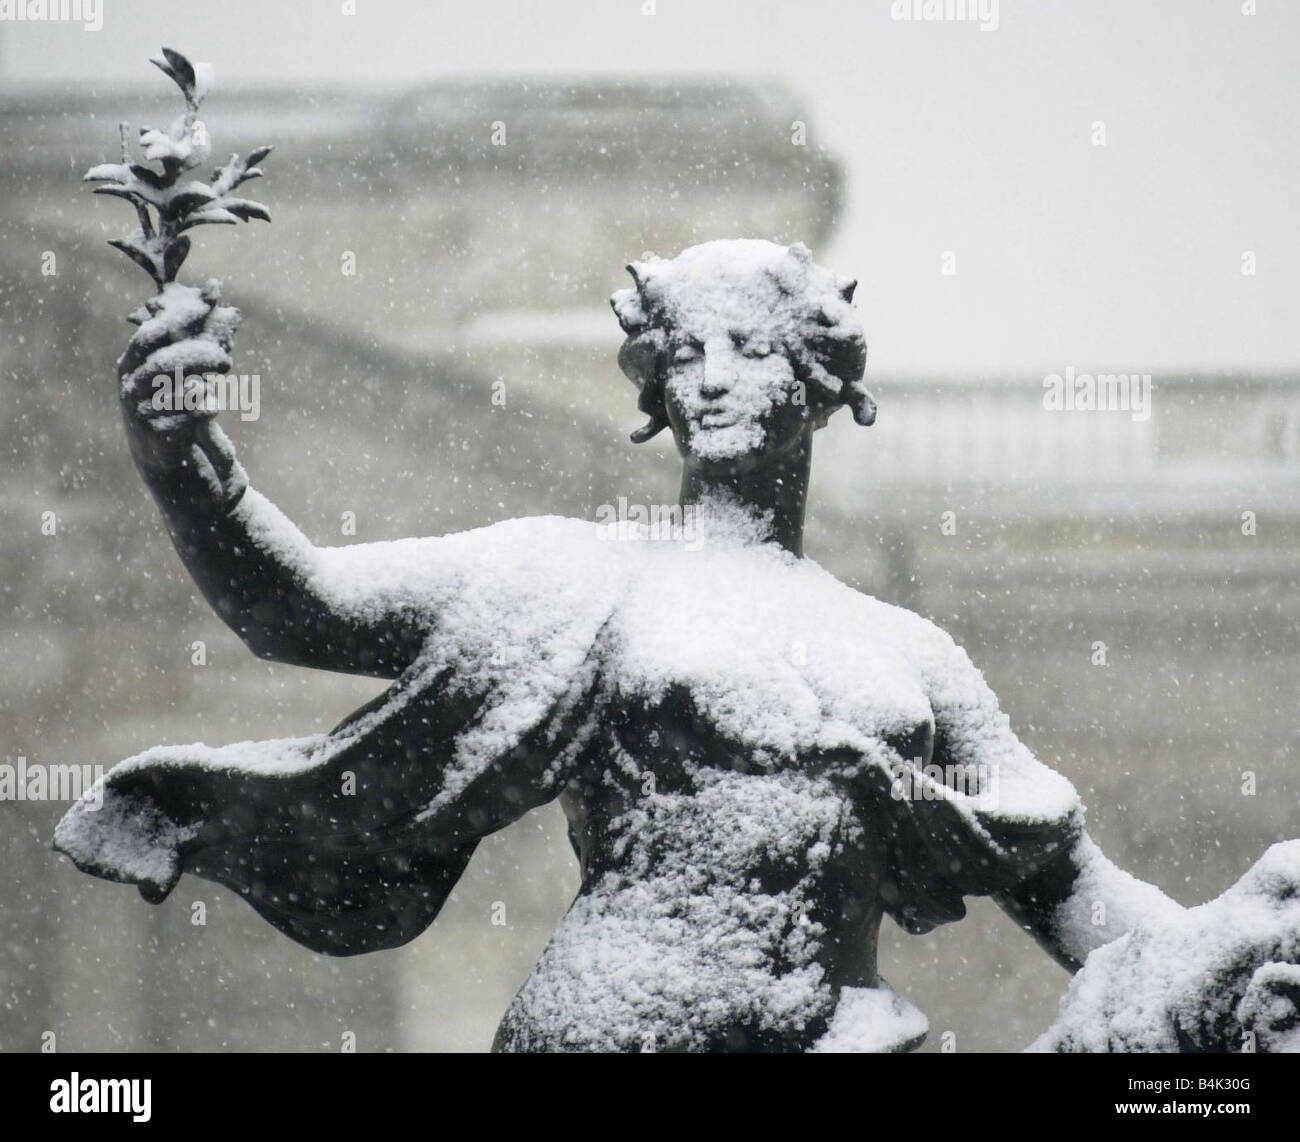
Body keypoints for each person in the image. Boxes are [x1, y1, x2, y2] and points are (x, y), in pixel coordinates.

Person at [55, 239, 1300, 1052]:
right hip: (614, 1033)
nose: (710, 378)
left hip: (841, 1036)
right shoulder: (584, 575)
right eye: (684, 352)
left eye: (747, 348)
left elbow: (1077, 894)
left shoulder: (906, 654)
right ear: (654, 381)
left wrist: (1238, 938)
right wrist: (185, 458)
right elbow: (300, 605)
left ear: (814, 378)